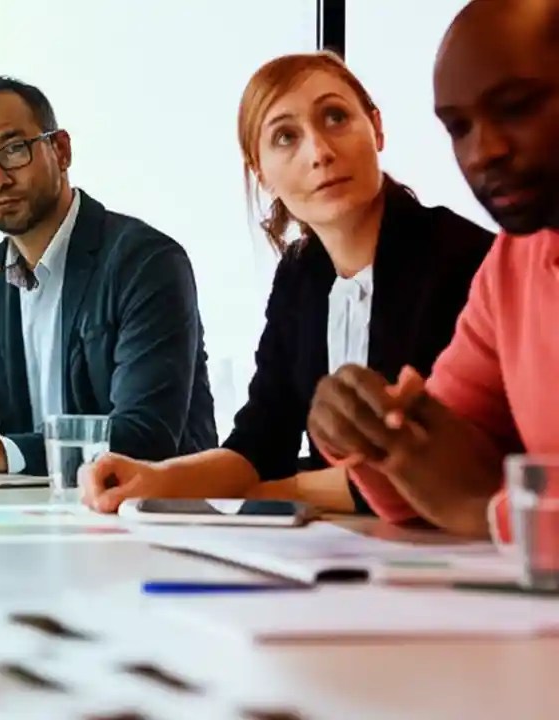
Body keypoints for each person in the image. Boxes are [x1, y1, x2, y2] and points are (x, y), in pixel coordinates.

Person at [81, 52, 493, 514]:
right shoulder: (301, 275)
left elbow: (430, 464)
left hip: (456, 545)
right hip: (350, 545)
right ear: (261, 171)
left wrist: (276, 494)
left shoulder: (463, 259)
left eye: (335, 117)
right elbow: (260, 441)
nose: (319, 152)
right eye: (285, 137)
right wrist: (153, 477)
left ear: (376, 127)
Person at [307, 0, 559, 538]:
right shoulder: (514, 263)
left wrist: (485, 511)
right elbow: (446, 458)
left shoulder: (449, 250)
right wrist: (370, 434)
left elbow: (468, 494)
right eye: (458, 128)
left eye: (516, 107)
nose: (482, 152)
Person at [0, 76, 216, 475]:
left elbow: (145, 438)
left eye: (13, 150)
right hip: (35, 518)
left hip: (153, 518)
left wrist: (3, 453)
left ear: (60, 150)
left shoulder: (146, 262)